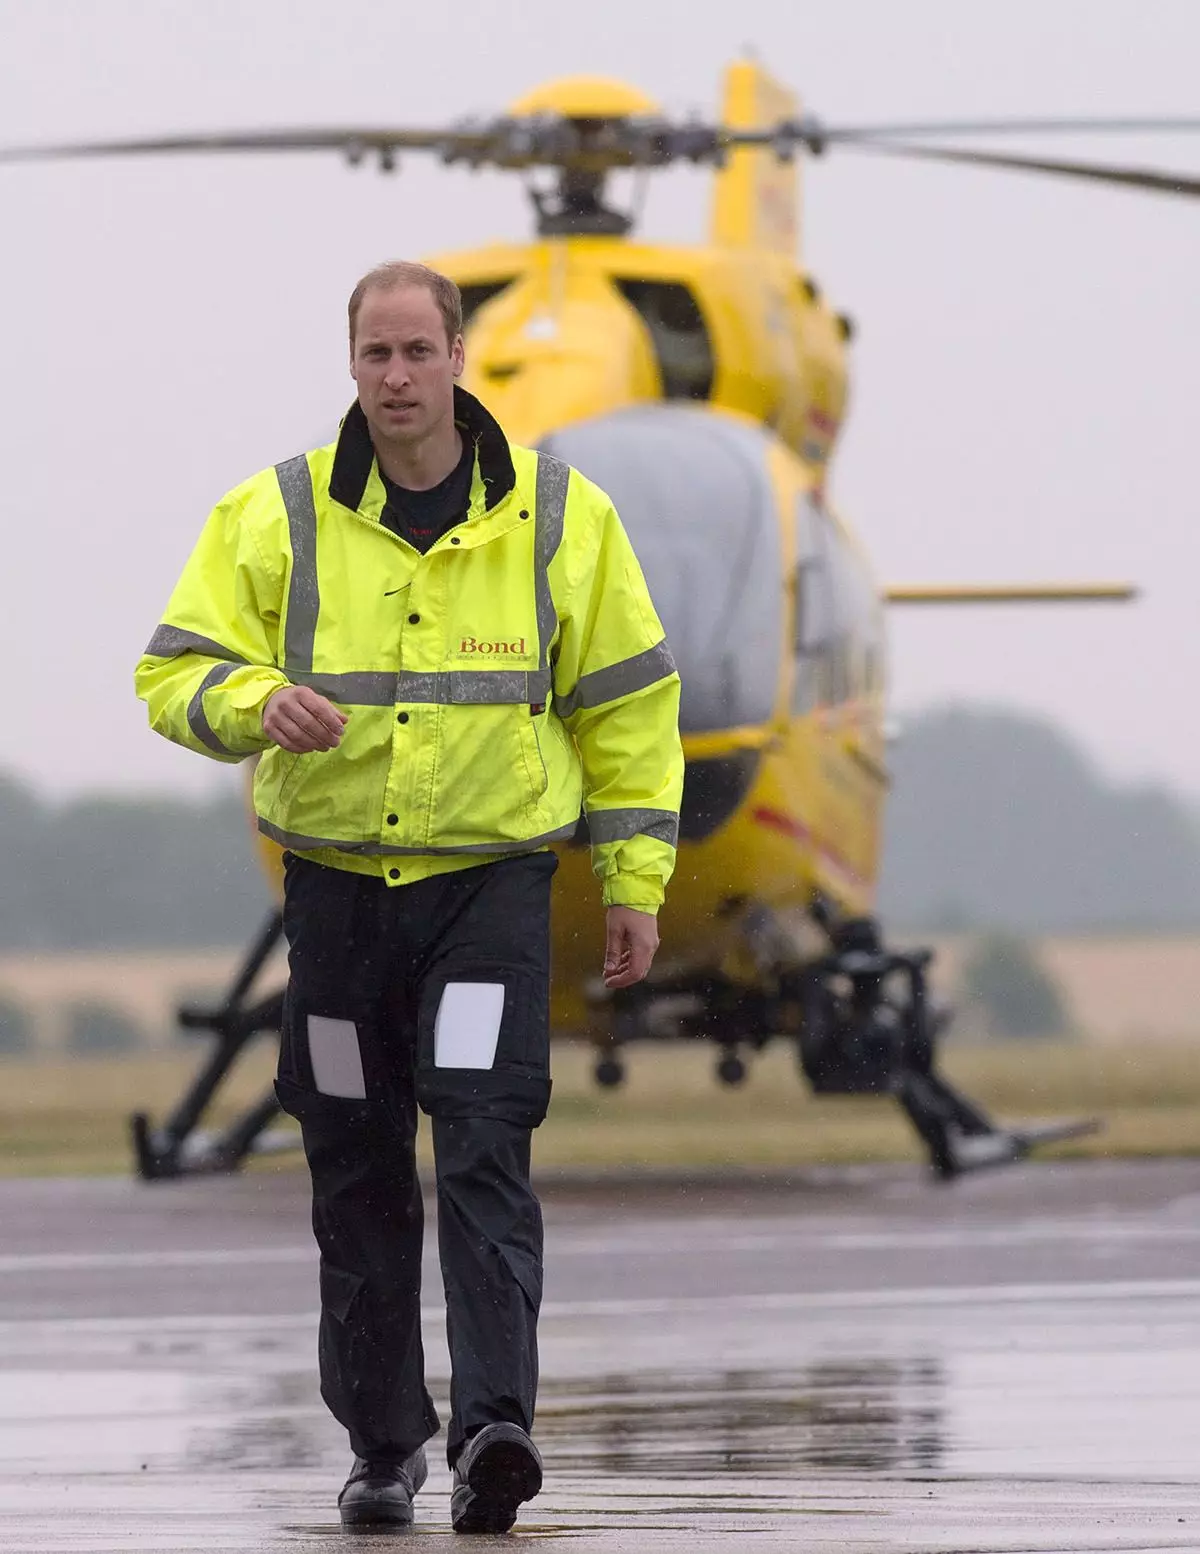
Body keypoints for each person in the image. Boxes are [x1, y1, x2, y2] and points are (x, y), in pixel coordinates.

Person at [134, 260, 684, 1533]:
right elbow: (172, 673)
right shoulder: (273, 516)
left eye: (417, 353)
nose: (396, 377)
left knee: (486, 1149)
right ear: (351, 365)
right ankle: (384, 1445)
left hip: (487, 897)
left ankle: (496, 1428)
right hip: (333, 905)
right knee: (355, 1170)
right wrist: (247, 702)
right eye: (375, 355)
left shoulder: (560, 516)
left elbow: (630, 705)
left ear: (455, 360)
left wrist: (634, 878)